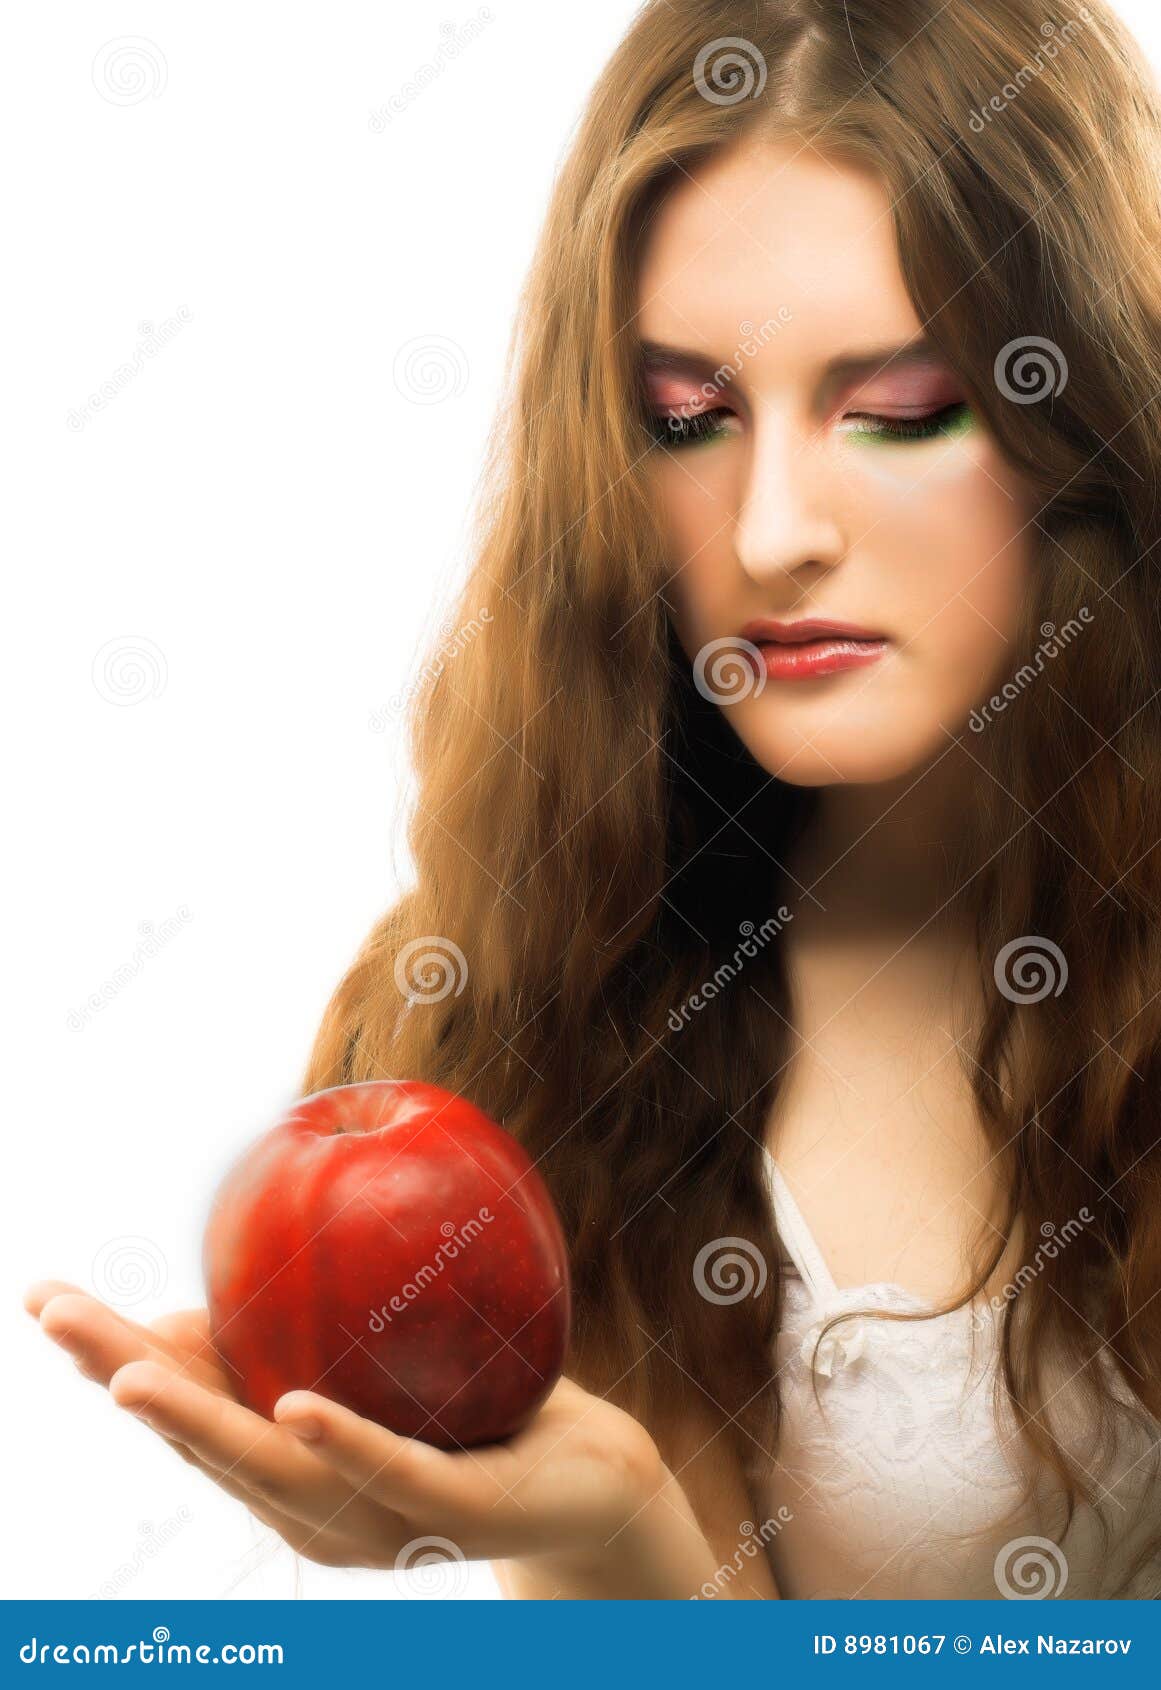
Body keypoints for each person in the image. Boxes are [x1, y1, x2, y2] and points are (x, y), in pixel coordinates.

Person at [27, 0, 1161, 1599]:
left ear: (1086, 421)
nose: (769, 531)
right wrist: (603, 1524)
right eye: (686, 420)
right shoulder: (553, 991)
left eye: (899, 411)